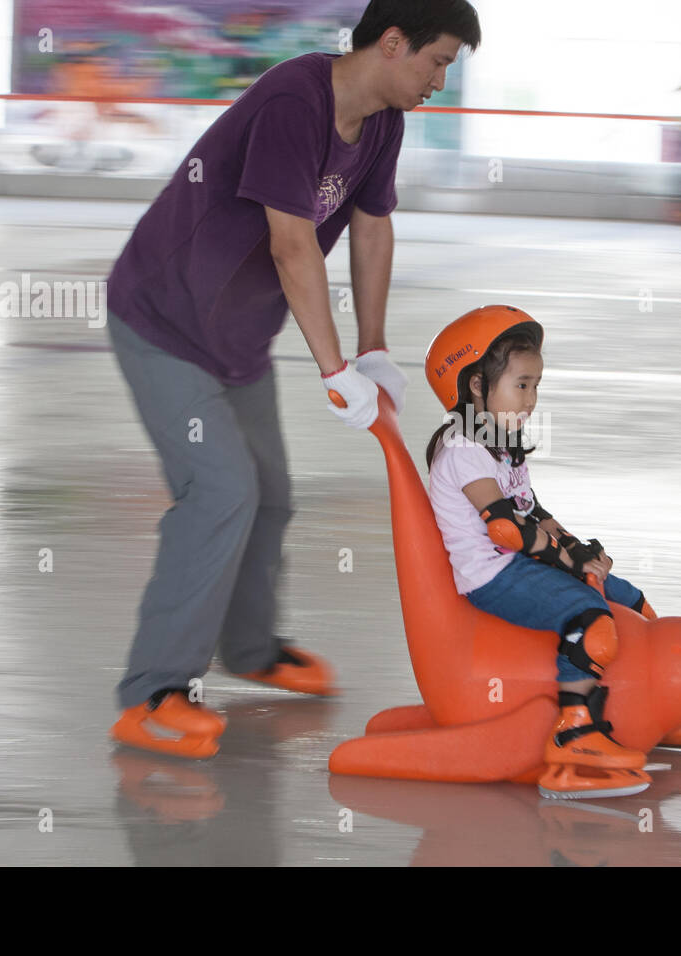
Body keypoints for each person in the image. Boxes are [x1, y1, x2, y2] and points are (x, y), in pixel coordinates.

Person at [105, 0, 482, 759]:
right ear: (393, 41)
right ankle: (152, 693)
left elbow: (372, 226)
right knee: (220, 491)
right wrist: (334, 367)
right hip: (163, 324)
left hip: (236, 339)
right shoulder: (293, 101)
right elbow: (291, 245)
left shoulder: (383, 123)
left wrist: (373, 349)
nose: (441, 80)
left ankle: (247, 649)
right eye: (438, 61)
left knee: (270, 495)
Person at [421, 305, 681, 800]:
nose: (532, 399)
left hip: (520, 561)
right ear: (473, 385)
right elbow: (507, 528)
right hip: (493, 575)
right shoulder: (464, 448)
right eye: (522, 385)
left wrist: (576, 547)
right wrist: (569, 563)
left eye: (536, 386)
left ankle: (658, 705)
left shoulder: (499, 441)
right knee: (591, 617)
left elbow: (533, 511)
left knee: (628, 598)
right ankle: (575, 733)